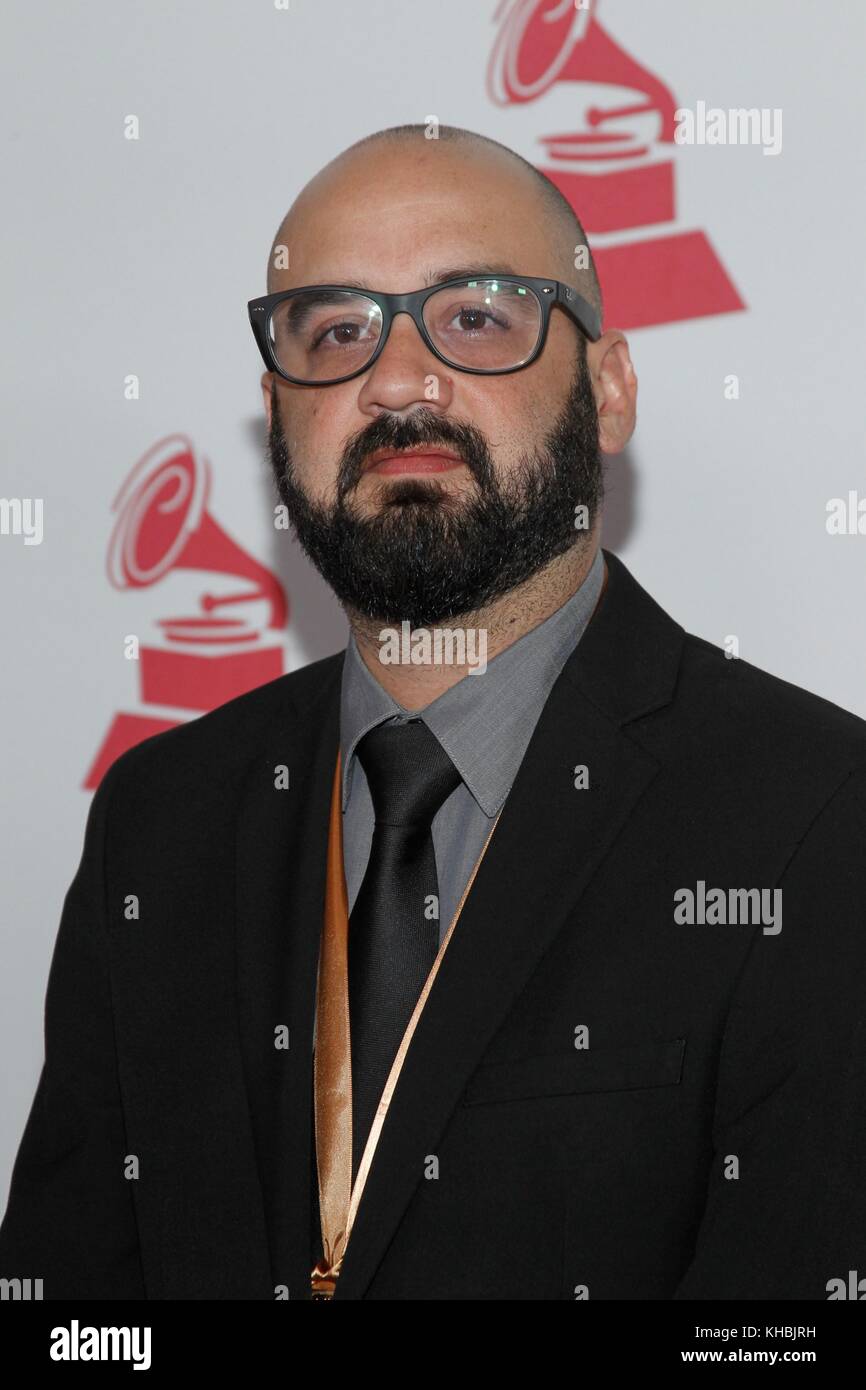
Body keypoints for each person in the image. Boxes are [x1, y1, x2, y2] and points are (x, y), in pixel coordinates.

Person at [2, 124, 865, 1301]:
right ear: (276, 412)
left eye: (474, 316)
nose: (398, 381)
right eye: (337, 331)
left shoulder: (815, 817)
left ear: (606, 390)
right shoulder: (160, 821)